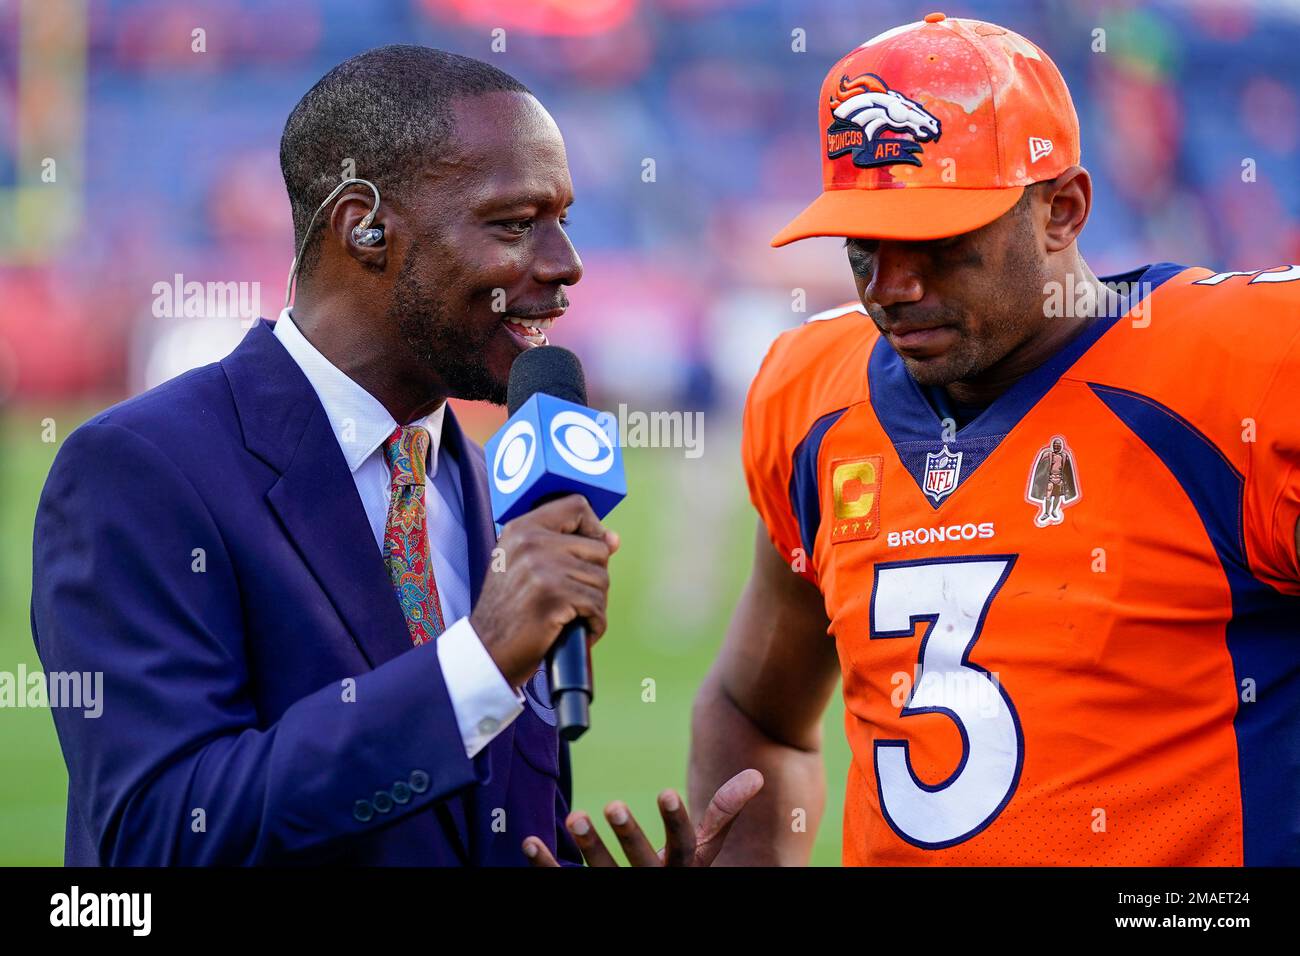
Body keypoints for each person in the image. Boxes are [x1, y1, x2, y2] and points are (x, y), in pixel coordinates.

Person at [31, 45, 756, 866]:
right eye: (516, 225)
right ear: (363, 227)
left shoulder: (491, 485)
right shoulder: (141, 470)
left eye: (563, 222)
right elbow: (157, 838)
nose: (565, 265)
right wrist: (476, 664)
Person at [688, 14, 1300, 865]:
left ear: (1063, 210)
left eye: (938, 243)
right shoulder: (813, 398)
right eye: (865, 246)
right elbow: (754, 710)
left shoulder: (1244, 372)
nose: (893, 286)